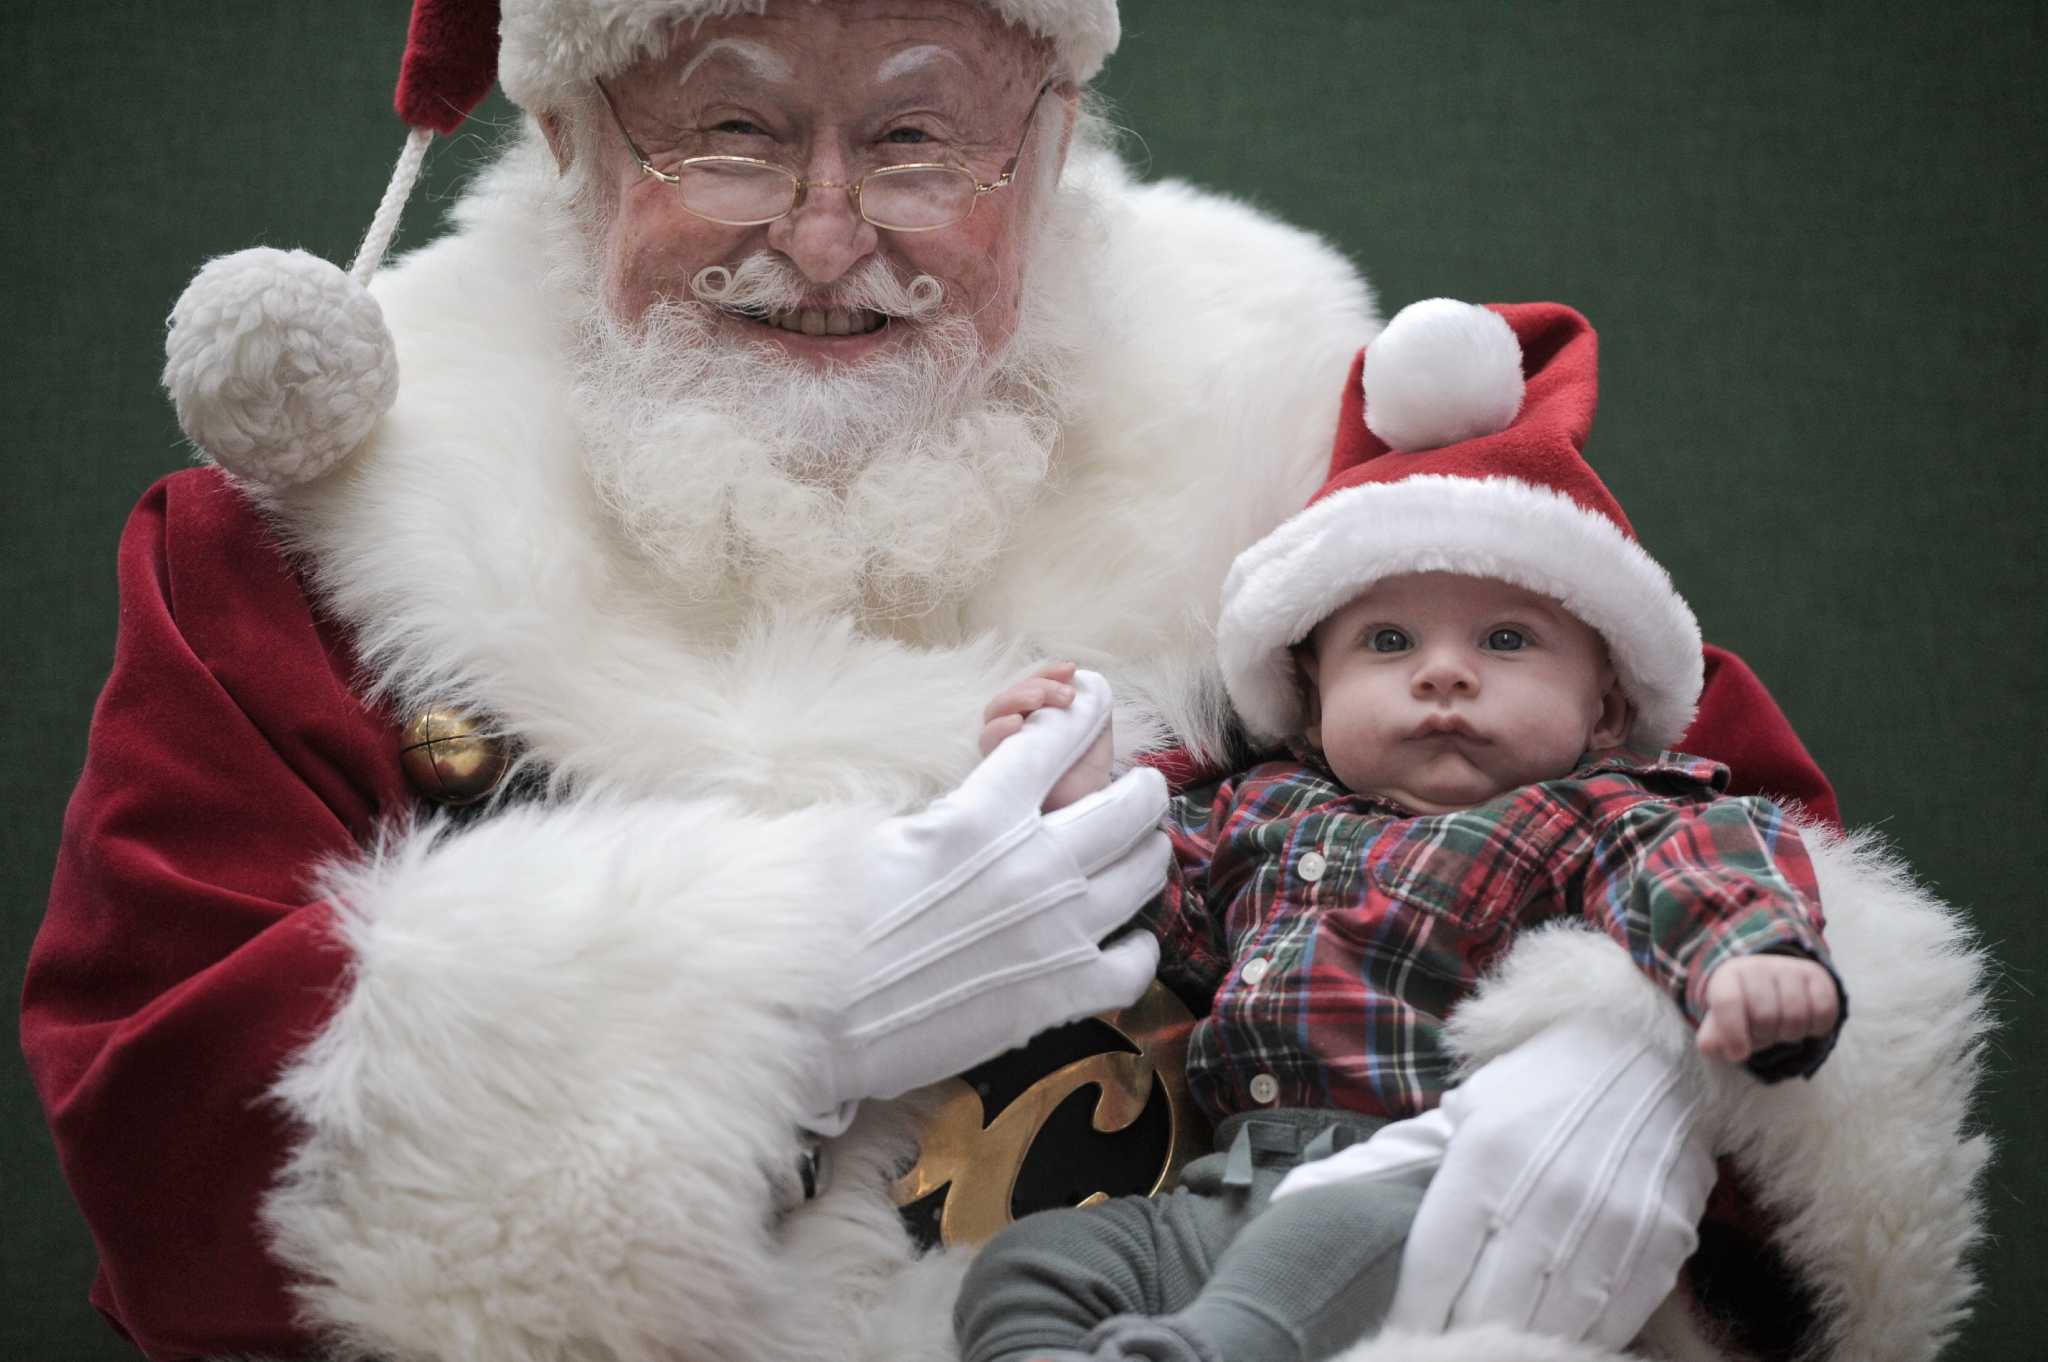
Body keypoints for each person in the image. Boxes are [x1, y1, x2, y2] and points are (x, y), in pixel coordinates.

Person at [17, 4, 1983, 1362]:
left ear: (1051, 140)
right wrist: (755, 1014)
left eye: (913, 135)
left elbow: (1708, 810)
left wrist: (1630, 1057)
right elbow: (158, 1110)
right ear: (558, 138)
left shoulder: (1308, 440)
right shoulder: (309, 523)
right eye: (726, 124)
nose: (822, 234)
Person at [954, 300, 1846, 1362]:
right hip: (1228, 1185)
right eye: (1386, 641)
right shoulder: (1261, 811)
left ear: (1603, 711)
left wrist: (1750, 958)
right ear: (1310, 694)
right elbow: (1149, 915)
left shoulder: (1587, 814)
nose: (1441, 670)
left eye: (1505, 639)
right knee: (1037, 1261)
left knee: (1332, 1245)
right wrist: (1076, 790)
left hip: (1427, 1181)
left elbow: (1699, 863)